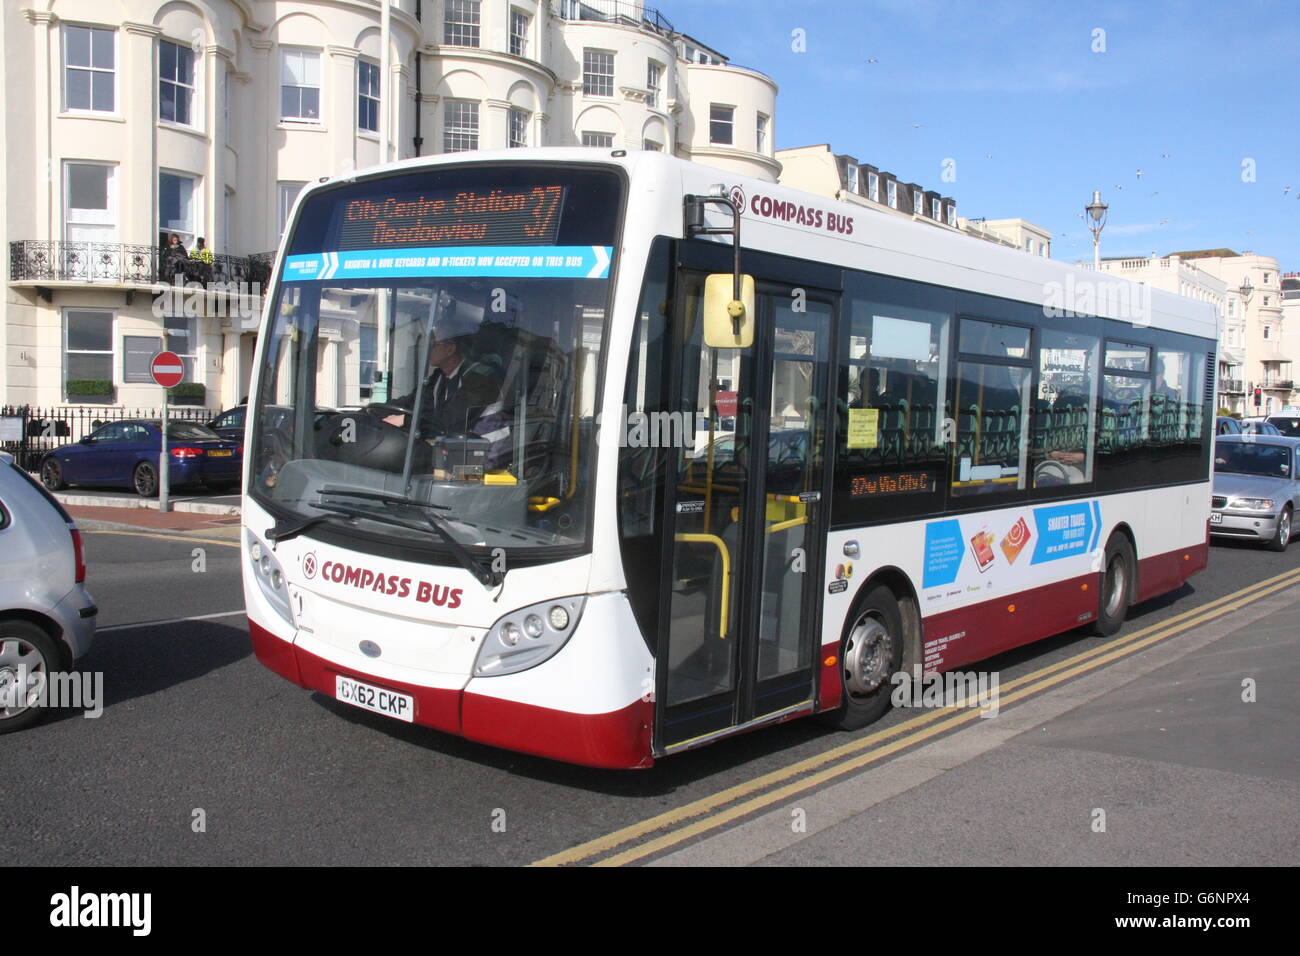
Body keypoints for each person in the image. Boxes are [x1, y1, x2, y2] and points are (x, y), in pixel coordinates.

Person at [382, 318, 509, 473]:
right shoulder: (439, 377)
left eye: (433, 344)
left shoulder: (481, 378)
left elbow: (450, 420)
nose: (427, 349)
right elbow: (412, 402)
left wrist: (404, 419)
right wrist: (378, 410)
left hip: (485, 458)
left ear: (450, 349)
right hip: (455, 452)